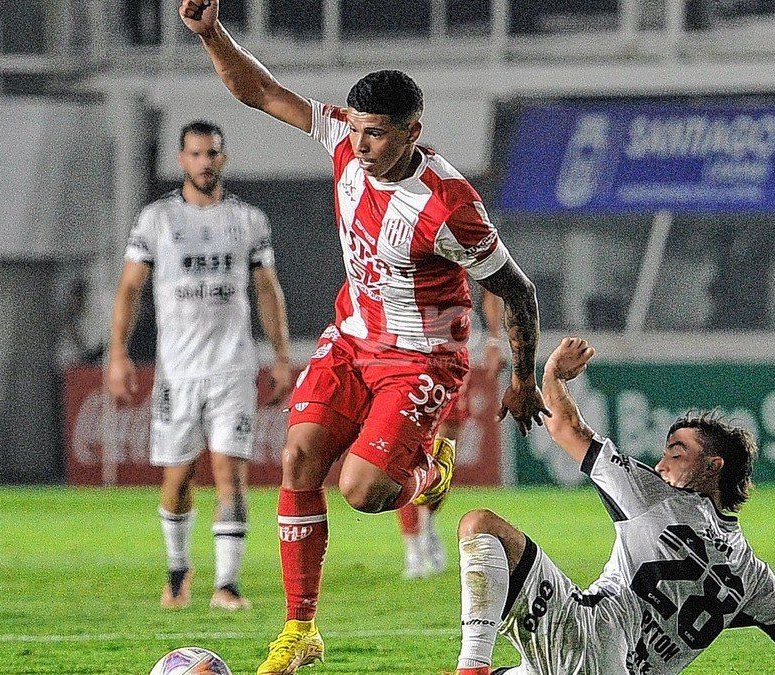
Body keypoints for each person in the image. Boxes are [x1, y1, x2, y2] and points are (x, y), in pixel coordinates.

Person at [177, 3, 549, 672]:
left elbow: (516, 290)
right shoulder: (344, 139)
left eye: (380, 135)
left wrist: (522, 380)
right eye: (360, 131)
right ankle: (301, 628)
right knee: (296, 460)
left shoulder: (449, 207)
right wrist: (211, 33)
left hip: (421, 357)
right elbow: (258, 89)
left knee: (364, 491)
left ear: (413, 131)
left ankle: (428, 469)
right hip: (351, 338)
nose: (365, 145)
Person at [453, 337, 775, 675]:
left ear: (712, 466)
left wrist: (552, 374)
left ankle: (471, 666)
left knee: (480, 525)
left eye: (676, 453)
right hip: (610, 664)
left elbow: (565, 426)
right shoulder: (752, 574)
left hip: (587, 636)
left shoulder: (655, 497)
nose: (659, 464)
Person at [108, 121, 293, 612]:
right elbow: (129, 290)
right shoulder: (156, 220)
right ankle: (178, 571)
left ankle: (227, 585)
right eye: (194, 154)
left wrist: (278, 355)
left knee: (231, 474)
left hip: (233, 367)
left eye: (212, 153)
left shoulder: (249, 220)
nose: (204, 162)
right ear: (181, 159)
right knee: (178, 477)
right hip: (177, 371)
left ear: (223, 159)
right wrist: (119, 354)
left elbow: (266, 290)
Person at [396, 290, 504, 579]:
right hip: (409, 340)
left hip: (456, 341)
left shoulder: (463, 244)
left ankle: (427, 521)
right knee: (409, 447)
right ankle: (412, 545)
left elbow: (491, 281)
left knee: (443, 448)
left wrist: (495, 339)